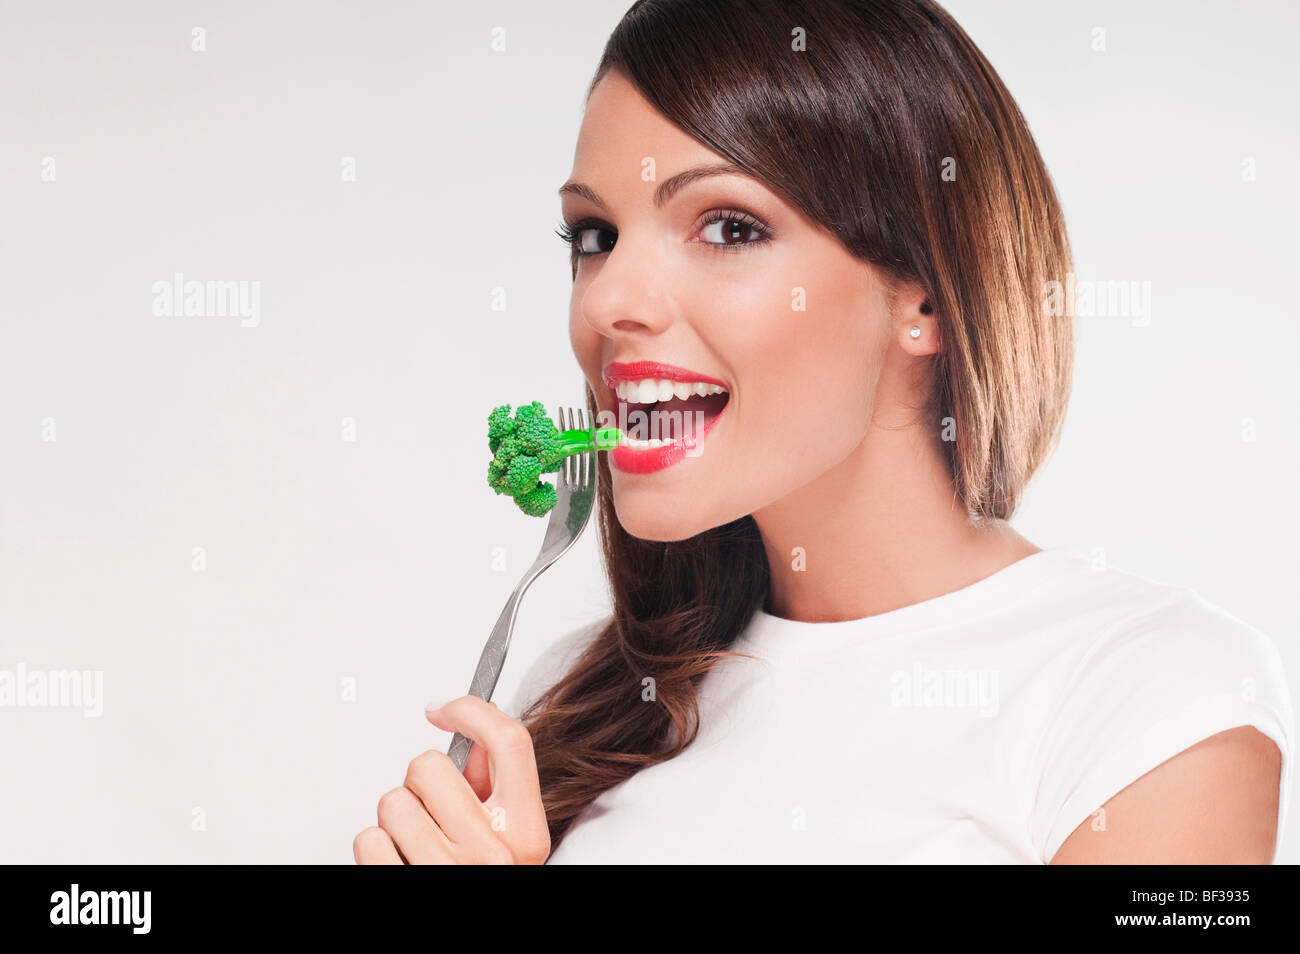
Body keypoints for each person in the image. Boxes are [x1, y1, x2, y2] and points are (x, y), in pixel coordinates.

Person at [355, 0, 1292, 864]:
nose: (610, 301)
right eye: (594, 236)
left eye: (726, 227)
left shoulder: (1153, 694)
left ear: (924, 295)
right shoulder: (589, 700)